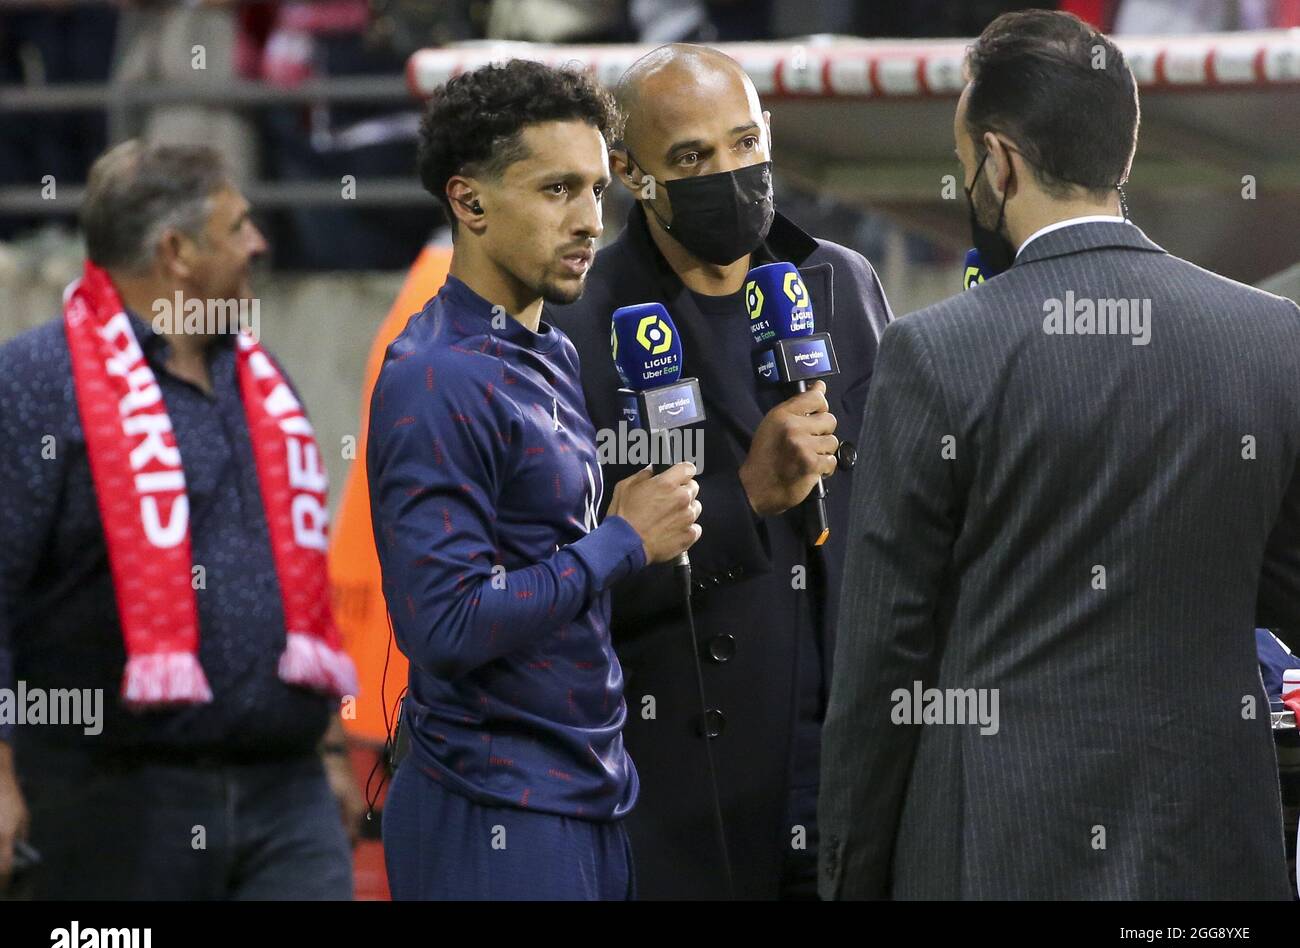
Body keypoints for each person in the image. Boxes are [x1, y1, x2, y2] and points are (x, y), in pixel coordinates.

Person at [819, 9, 1300, 900]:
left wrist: (847, 872)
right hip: (1211, 861)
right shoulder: (1275, 338)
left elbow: (885, 659)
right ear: (1121, 151)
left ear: (997, 161)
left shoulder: (935, 354)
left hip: (996, 852)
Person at [546, 44, 892, 899]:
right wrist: (744, 498)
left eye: (745, 144)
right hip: (682, 791)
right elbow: (559, 593)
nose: (730, 174)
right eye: (693, 158)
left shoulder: (840, 285)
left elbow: (901, 518)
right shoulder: (576, 325)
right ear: (628, 171)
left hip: (850, 765)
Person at [369, 59, 702, 901]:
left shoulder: (548, 347)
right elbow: (443, 623)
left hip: (584, 790)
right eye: (558, 190)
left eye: (597, 191)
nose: (590, 220)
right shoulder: (436, 376)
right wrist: (620, 542)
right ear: (469, 202)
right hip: (491, 805)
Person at [0, 140, 363, 899]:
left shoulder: (261, 381)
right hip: (113, 800)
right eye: (237, 227)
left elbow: (292, 580)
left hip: (284, 793)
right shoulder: (37, 382)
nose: (260, 244)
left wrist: (330, 750)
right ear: (176, 253)